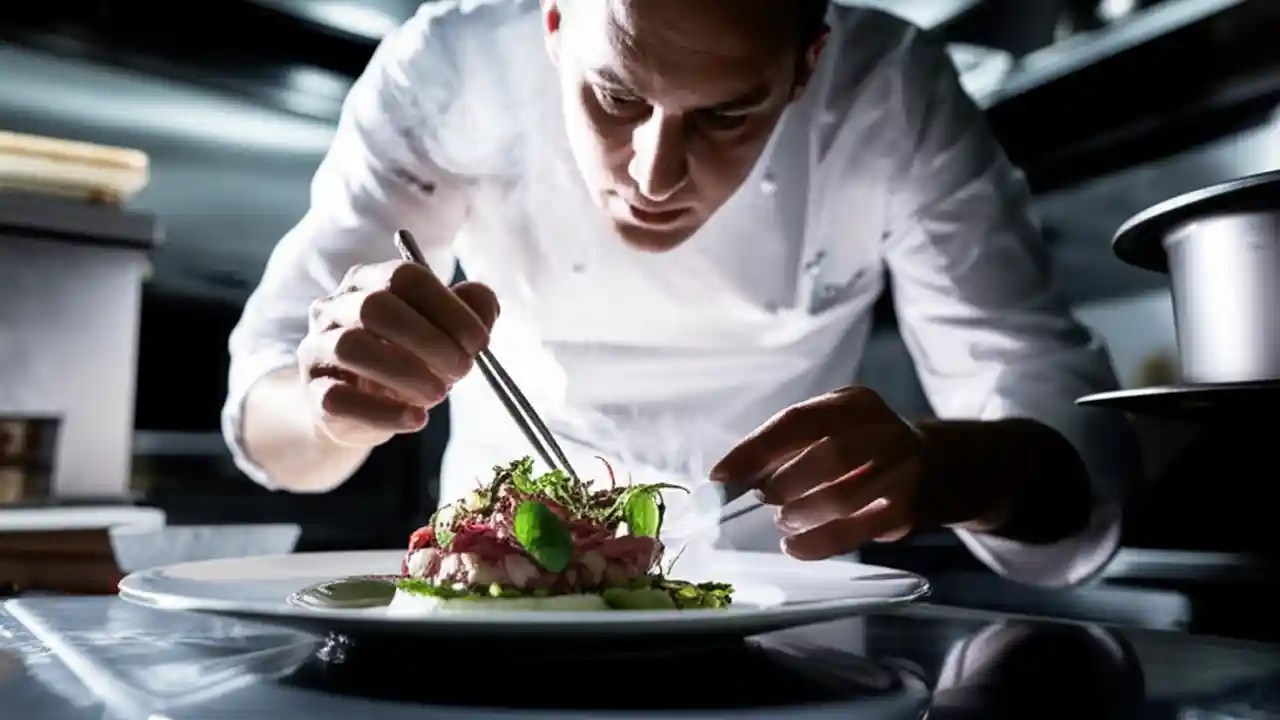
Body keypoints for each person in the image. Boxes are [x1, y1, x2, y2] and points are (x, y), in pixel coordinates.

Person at [221, 0, 1140, 588]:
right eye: (616, 98)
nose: (657, 175)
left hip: (791, 629)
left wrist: (944, 469)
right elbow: (271, 426)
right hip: (507, 609)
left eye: (730, 114)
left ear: (808, 64)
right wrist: (331, 406)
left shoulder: (890, 96)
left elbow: (1068, 457)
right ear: (553, 24)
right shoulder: (448, 71)